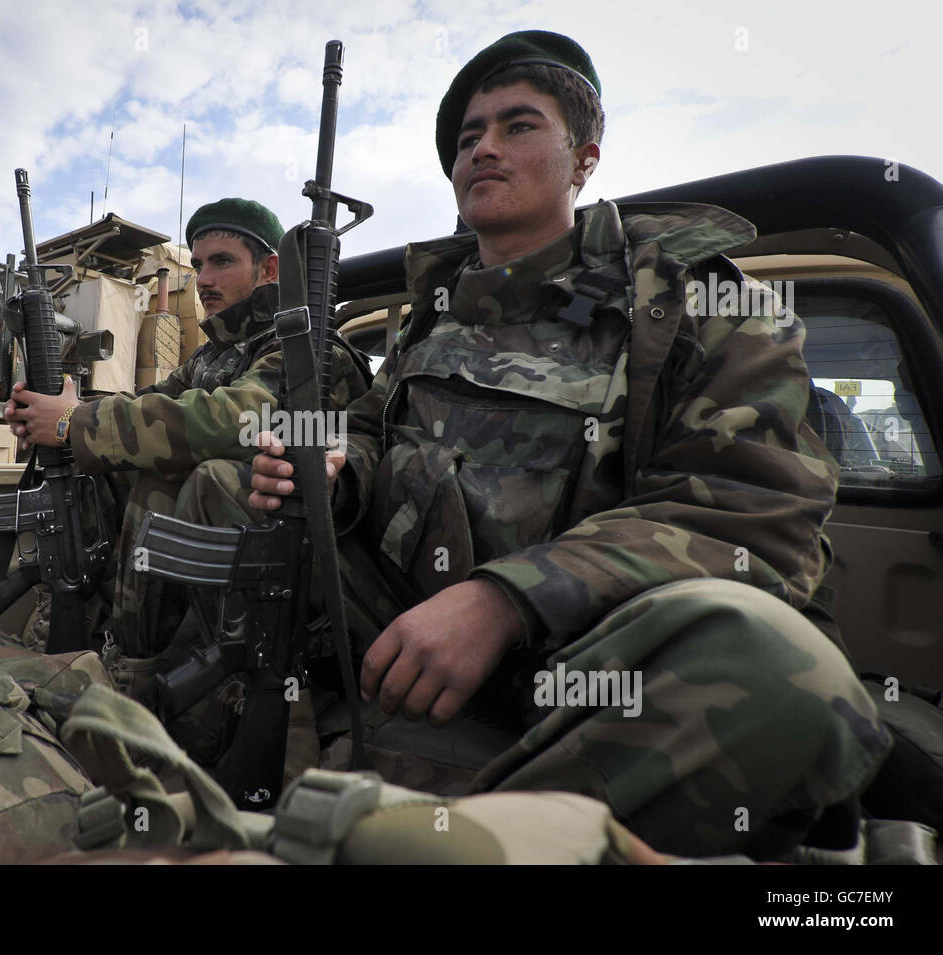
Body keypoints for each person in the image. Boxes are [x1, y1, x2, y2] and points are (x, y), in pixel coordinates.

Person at [226, 30, 890, 858]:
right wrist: (332, 466)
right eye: (468, 139)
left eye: (517, 127)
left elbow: (756, 514)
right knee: (222, 493)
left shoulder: (700, 304)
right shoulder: (434, 312)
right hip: (389, 646)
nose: (484, 150)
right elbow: (368, 421)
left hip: (576, 675)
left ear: (584, 158)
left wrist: (508, 598)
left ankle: (486, 836)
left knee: (780, 664)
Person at [4, 197, 370, 658]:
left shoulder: (306, 351)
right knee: (109, 459)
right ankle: (90, 628)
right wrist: (58, 409)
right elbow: (147, 404)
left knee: (166, 473)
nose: (205, 280)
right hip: (235, 545)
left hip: (297, 557)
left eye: (223, 262)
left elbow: (233, 420)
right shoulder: (215, 352)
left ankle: (140, 662)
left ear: (270, 269)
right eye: (198, 265)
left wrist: (74, 423)